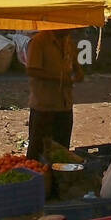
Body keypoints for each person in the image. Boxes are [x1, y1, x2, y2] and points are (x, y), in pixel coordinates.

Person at [26, 28, 84, 160]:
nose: (71, 30)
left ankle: (57, 177)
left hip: (64, 104)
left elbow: (75, 65)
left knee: (62, 149)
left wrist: (79, 72)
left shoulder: (68, 41)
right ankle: (37, 177)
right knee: (38, 148)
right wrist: (59, 78)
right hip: (44, 105)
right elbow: (32, 70)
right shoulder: (39, 41)